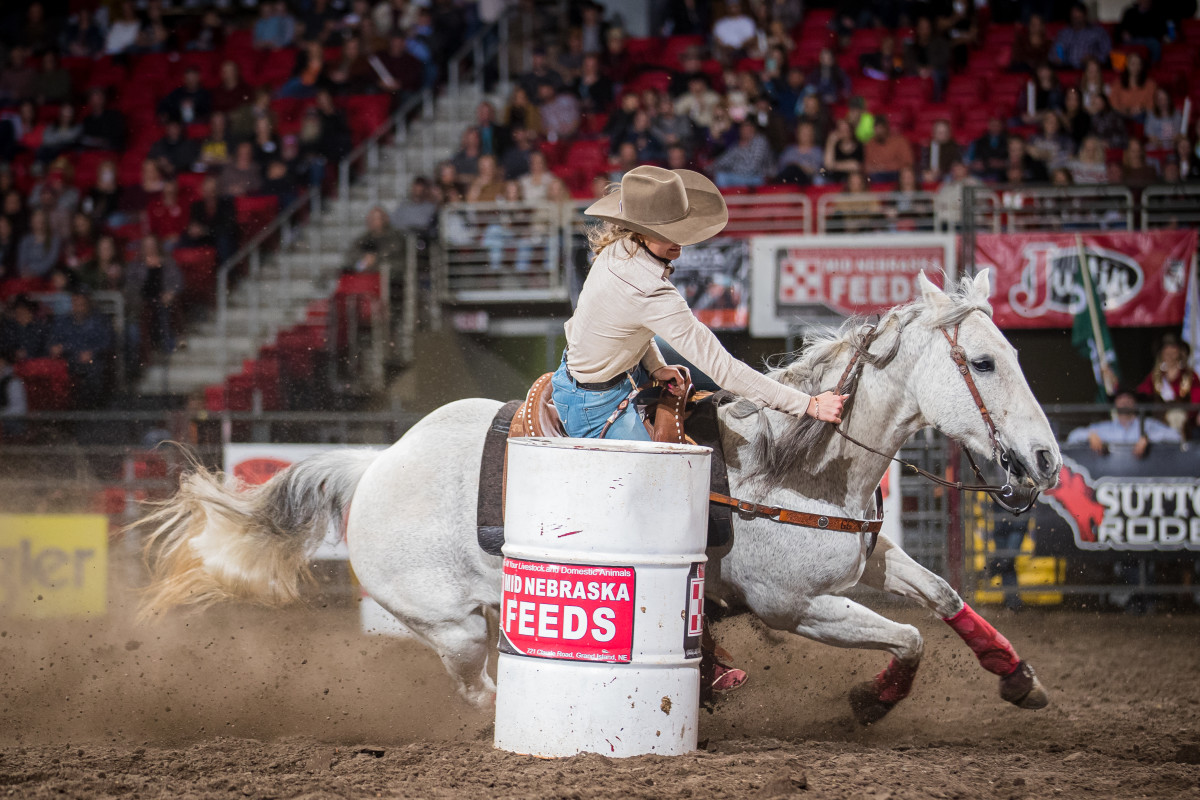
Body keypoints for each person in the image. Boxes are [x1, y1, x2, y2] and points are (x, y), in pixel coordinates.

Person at [556, 166, 847, 693]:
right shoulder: (650, 288)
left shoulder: (619, 254)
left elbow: (603, 323)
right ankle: (685, 645)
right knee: (663, 519)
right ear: (643, 230)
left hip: (595, 381)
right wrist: (807, 405)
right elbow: (725, 369)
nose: (681, 242)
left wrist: (651, 364)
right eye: (670, 232)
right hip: (596, 407)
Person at [1066, 386, 1180, 458]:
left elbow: (1176, 436)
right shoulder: (1105, 428)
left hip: (1143, 480)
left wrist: (1148, 439)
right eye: (1120, 399)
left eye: (1129, 399)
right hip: (1112, 480)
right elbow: (1072, 437)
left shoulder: (1148, 425)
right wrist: (1090, 435)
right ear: (1115, 403)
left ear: (1135, 403)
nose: (1124, 402)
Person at [1136, 333, 1200, 436]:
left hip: (1186, 424)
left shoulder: (1189, 375)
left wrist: (1189, 416)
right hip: (1160, 423)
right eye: (1166, 349)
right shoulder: (1155, 376)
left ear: (1180, 351)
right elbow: (1142, 393)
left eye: (1173, 348)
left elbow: (1197, 397)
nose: (1170, 352)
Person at [1051, 3, 1111, 70]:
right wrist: (1056, 58)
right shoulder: (1064, 33)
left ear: (1085, 15)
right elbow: (1055, 50)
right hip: (1067, 68)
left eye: (1078, 17)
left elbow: (1107, 52)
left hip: (1089, 69)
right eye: (1073, 17)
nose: (1076, 20)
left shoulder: (1097, 32)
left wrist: (1094, 58)